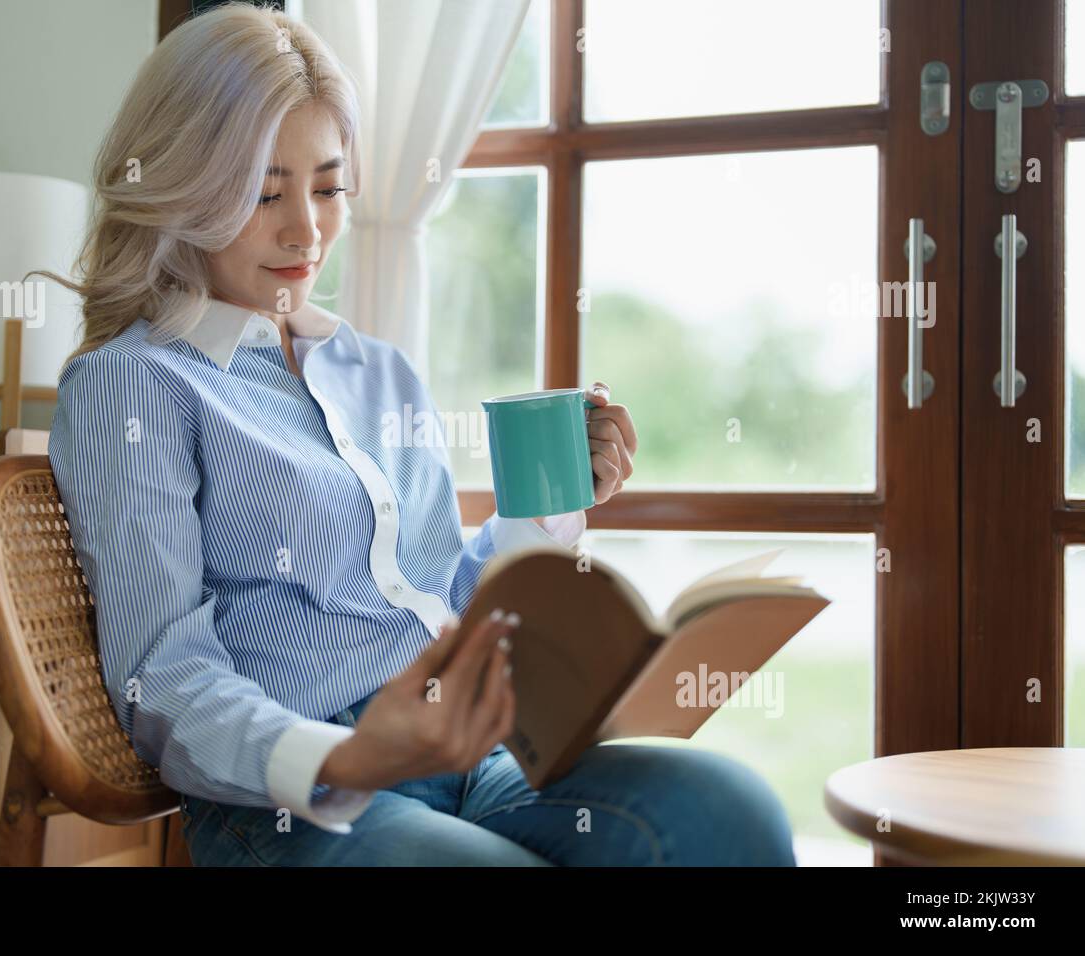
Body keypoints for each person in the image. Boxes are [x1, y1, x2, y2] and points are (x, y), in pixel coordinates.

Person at [40, 3, 797, 866]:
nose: (306, 230)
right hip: (297, 797)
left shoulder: (378, 372)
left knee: (729, 813)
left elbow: (448, 592)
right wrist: (355, 756)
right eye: (263, 190)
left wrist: (552, 502)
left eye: (327, 187)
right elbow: (161, 675)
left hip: (476, 753)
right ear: (182, 181)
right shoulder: (134, 383)